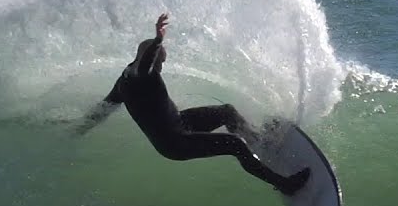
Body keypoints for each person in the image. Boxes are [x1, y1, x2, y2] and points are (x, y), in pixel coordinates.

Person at [75, 13, 310, 194]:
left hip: (180, 123)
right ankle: (284, 184)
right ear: (154, 58)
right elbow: (147, 64)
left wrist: (80, 127)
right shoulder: (144, 76)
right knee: (234, 144)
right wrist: (158, 40)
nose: (161, 67)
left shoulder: (123, 82)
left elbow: (103, 110)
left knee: (227, 112)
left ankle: (259, 142)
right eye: (161, 63)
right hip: (176, 143)